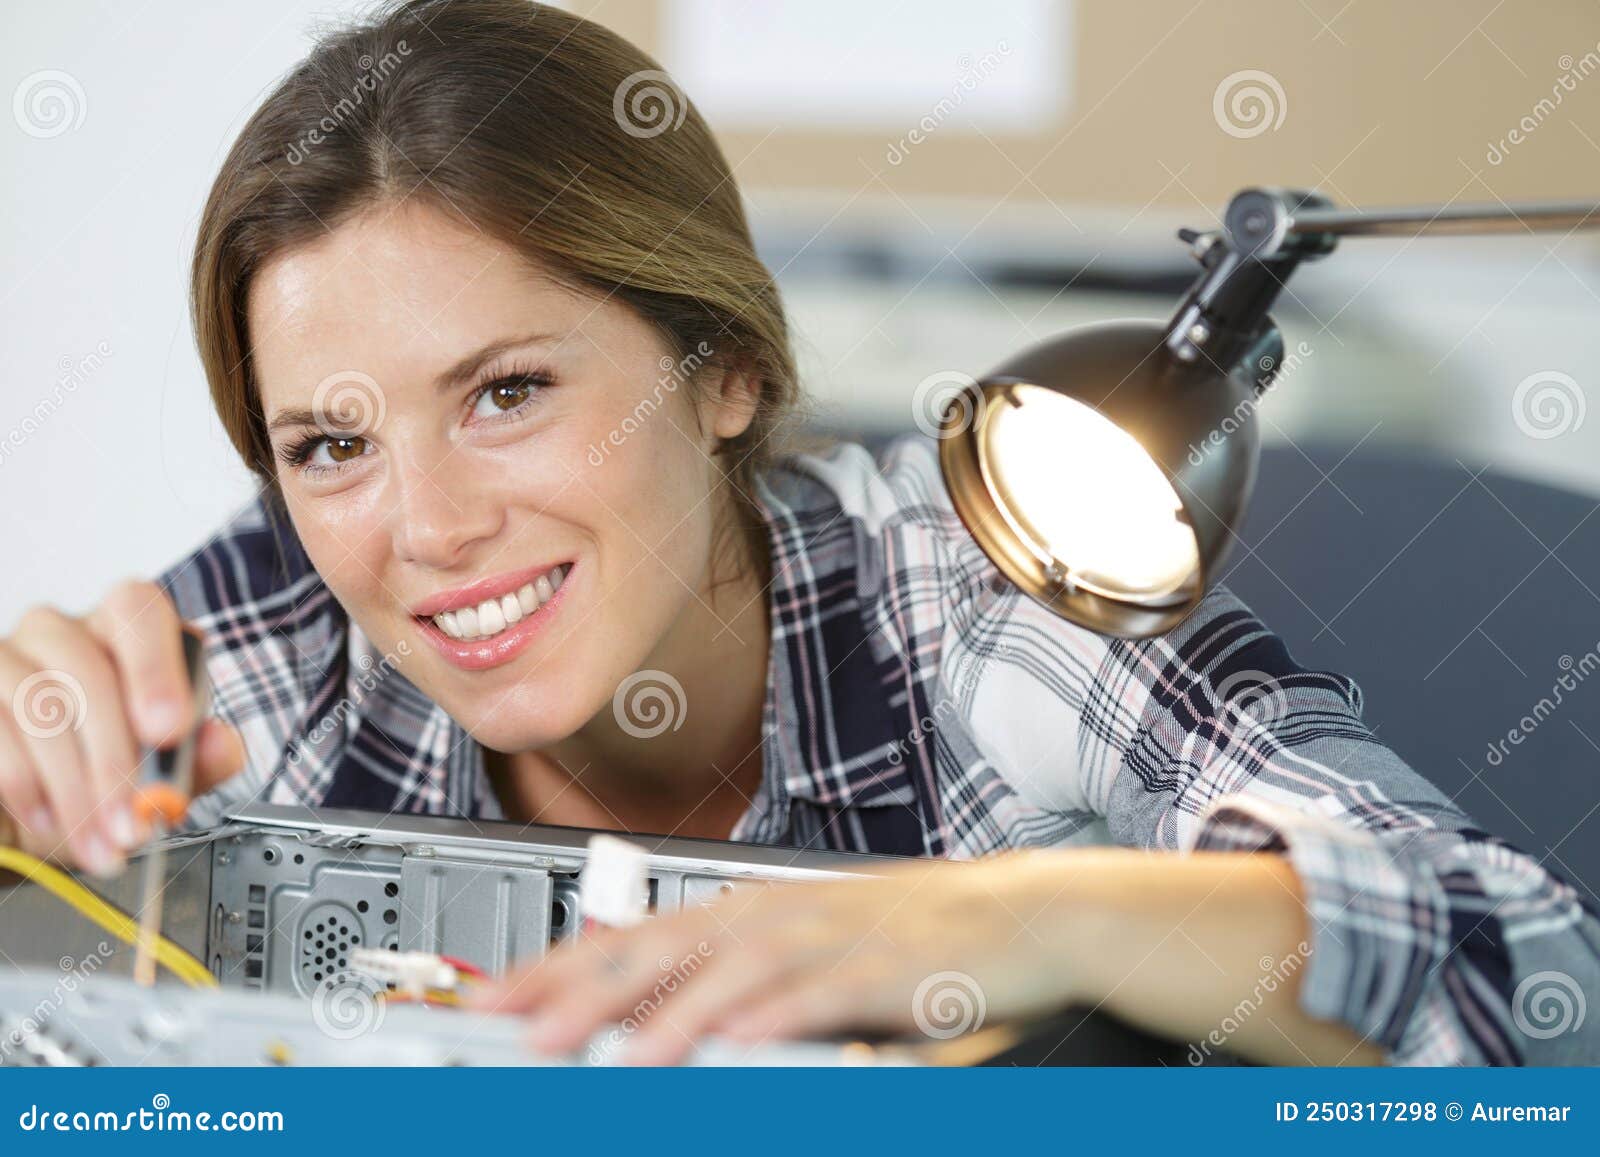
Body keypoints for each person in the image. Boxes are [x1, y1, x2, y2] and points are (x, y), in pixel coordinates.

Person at [1, 0, 1594, 1067]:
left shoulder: (991, 596)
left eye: (506, 391)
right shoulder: (286, 619)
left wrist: (1028, 914)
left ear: (729, 371)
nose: (424, 529)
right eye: (332, 444)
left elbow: (1537, 976)